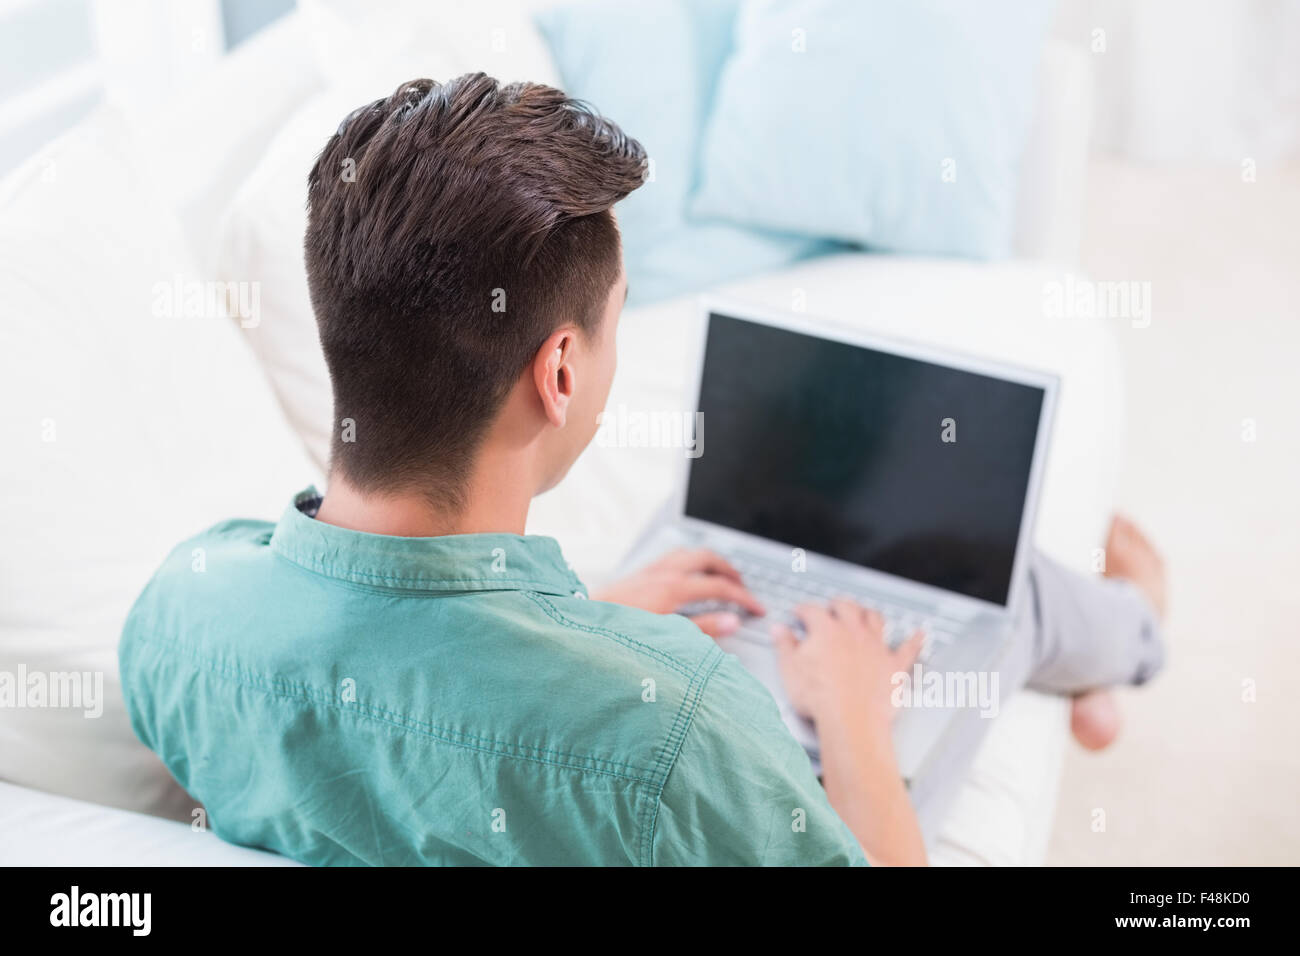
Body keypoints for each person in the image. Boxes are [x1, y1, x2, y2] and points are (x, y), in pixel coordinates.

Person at [120, 74, 1164, 866]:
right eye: (614, 323)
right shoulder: (679, 728)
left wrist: (579, 619)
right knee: (1014, 593)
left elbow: (384, 721)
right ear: (561, 370)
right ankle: (1135, 616)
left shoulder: (178, 613)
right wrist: (850, 721)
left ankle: (1112, 637)